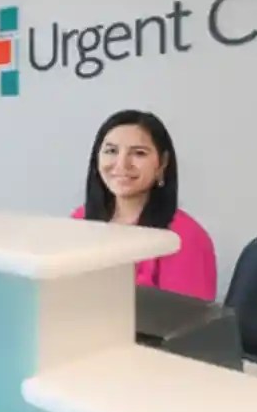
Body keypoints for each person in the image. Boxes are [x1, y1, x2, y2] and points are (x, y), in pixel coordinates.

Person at [71, 110, 216, 301]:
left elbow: (187, 325)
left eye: (138, 153)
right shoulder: (78, 220)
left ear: (162, 164)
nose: (122, 164)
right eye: (111, 151)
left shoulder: (184, 237)